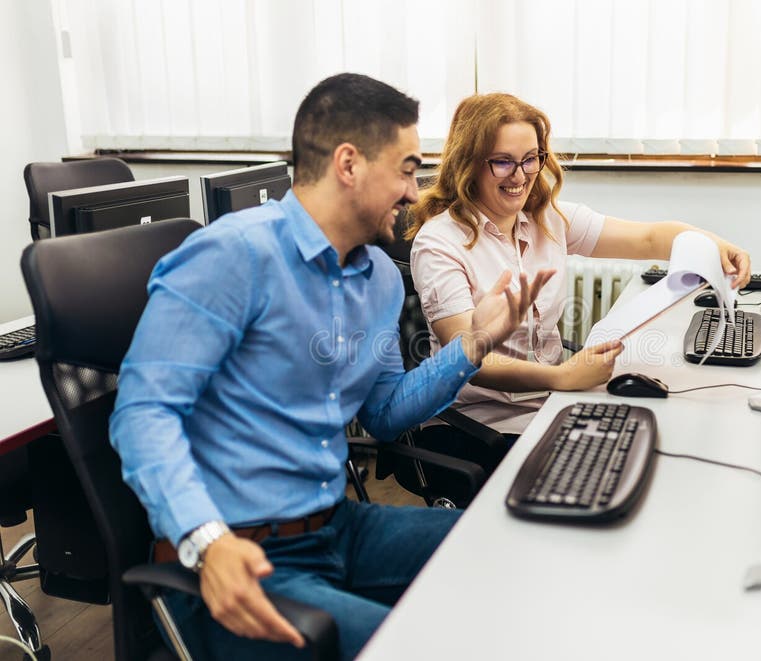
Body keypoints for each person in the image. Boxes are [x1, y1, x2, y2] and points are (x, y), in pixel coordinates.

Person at [109, 74, 552, 661]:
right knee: (425, 647)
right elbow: (142, 413)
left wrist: (473, 345)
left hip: (335, 529)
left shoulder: (377, 280)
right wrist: (207, 543)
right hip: (237, 560)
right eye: (406, 168)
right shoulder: (233, 256)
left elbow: (387, 416)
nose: (416, 192)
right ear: (349, 164)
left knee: (519, 547)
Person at [406, 93, 751, 436]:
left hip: (551, 404)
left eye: (530, 159)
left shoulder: (549, 220)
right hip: (481, 424)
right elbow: (465, 358)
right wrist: (563, 375)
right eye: (503, 162)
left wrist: (716, 245)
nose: (521, 176)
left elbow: (648, 238)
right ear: (470, 164)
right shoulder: (439, 242)